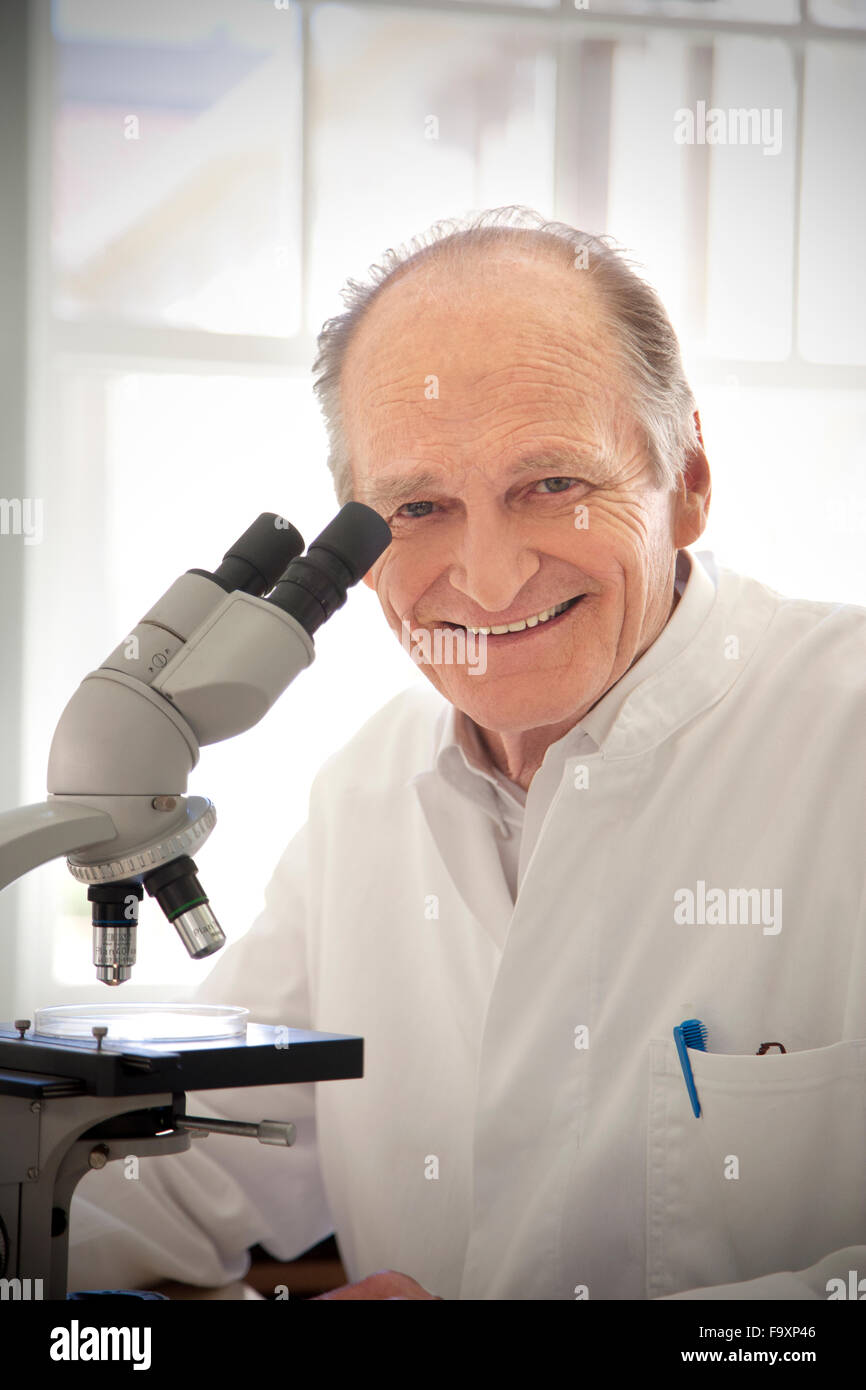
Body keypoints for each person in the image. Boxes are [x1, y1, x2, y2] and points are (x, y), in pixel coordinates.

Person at [68, 206, 866, 1301]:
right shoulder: (362, 792)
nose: (486, 581)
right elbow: (169, 1168)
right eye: (419, 506)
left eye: (550, 484)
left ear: (685, 482)